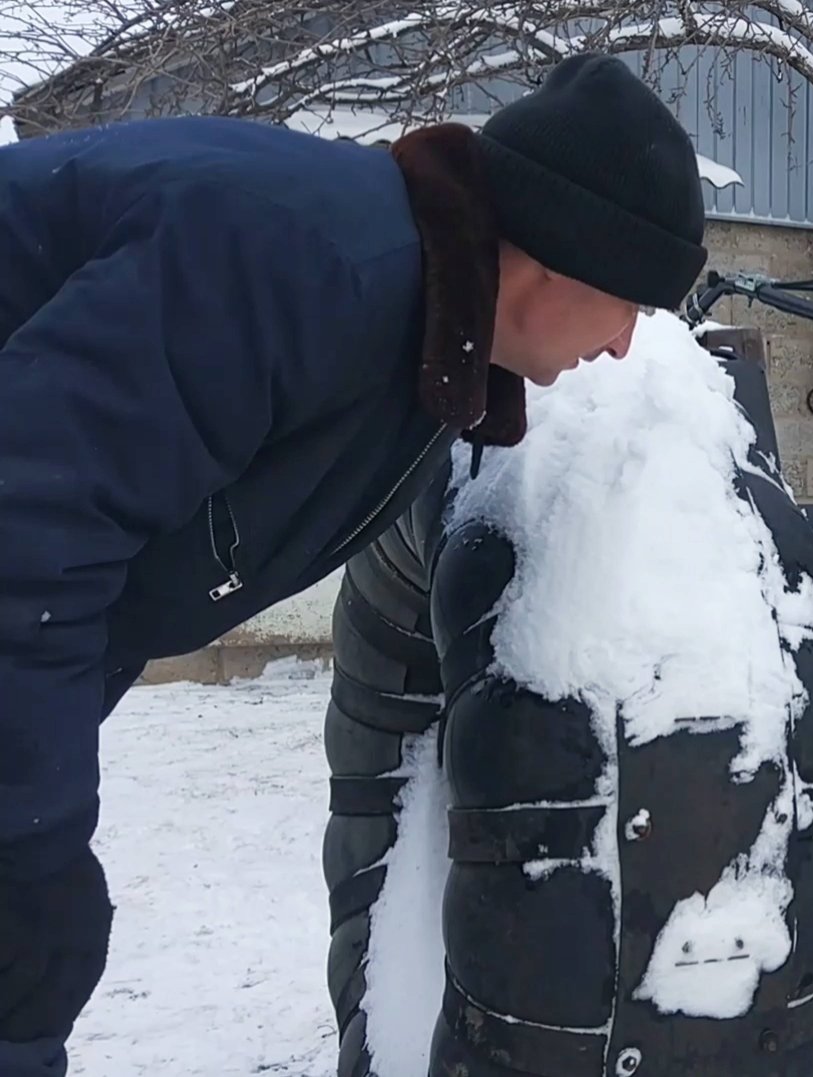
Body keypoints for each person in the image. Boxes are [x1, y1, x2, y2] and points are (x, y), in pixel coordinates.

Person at [0, 52, 709, 1075]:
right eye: (630, 307)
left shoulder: (414, 329)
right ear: (559, 257)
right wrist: (27, 850)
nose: (625, 349)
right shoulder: (302, 259)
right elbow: (27, 531)